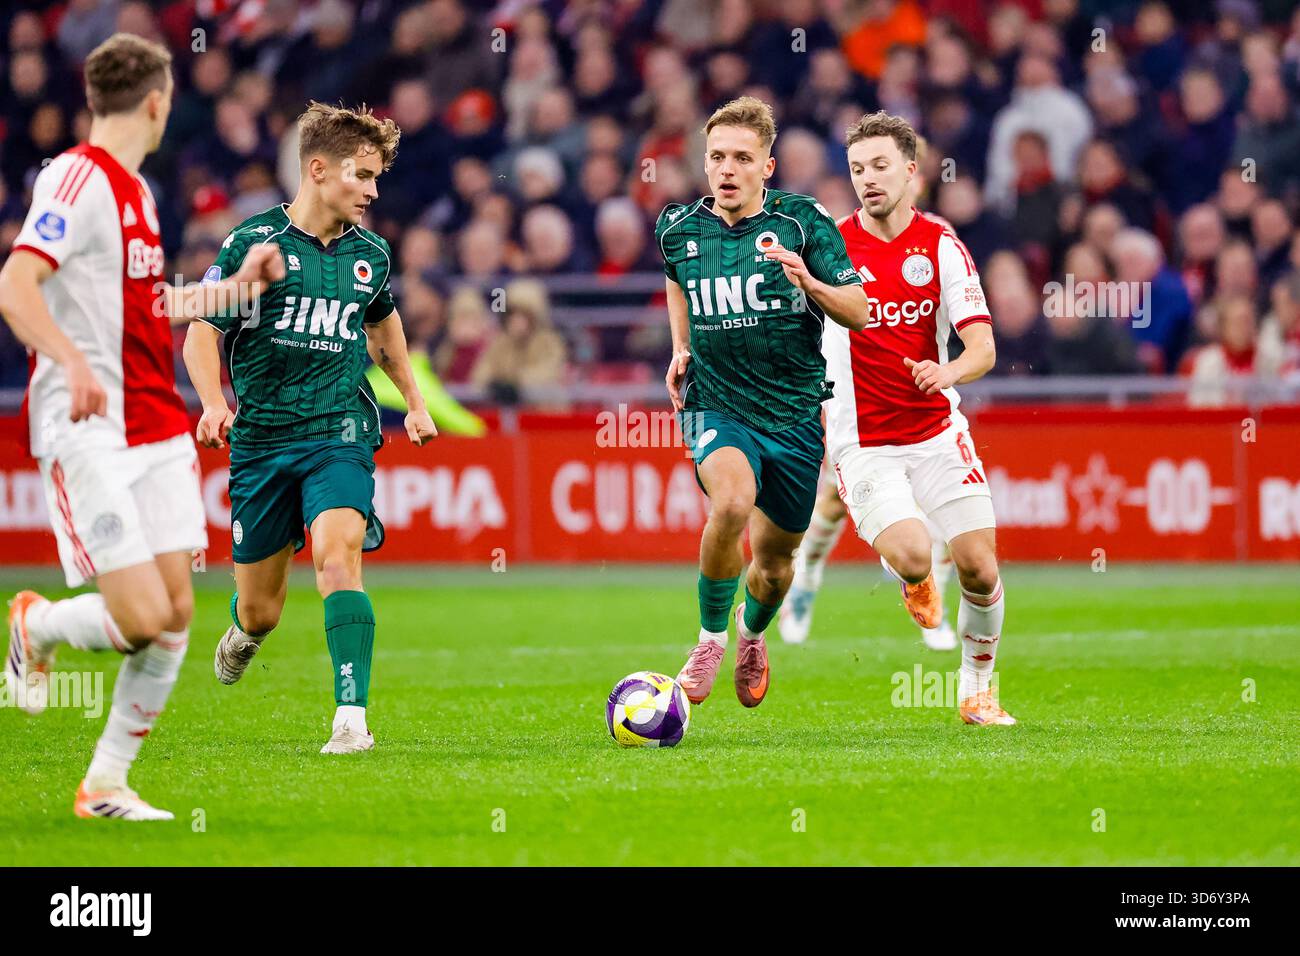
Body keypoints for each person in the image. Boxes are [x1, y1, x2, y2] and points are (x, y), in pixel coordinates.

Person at [1, 34, 283, 820]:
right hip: (86, 421)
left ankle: (105, 784)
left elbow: (154, 306)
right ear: (157, 101)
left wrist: (235, 289)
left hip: (156, 418)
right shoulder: (75, 178)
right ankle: (38, 623)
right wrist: (72, 361)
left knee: (175, 617)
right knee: (138, 619)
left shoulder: (140, 194)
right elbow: (15, 285)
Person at [183, 102, 437, 755]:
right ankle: (244, 630)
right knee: (262, 609)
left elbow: (383, 328)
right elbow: (201, 333)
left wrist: (412, 400)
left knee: (337, 555)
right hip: (262, 440)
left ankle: (350, 719)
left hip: (339, 429)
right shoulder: (252, 244)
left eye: (379, 177)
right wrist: (213, 403)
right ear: (319, 169)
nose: (374, 191)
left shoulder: (371, 256)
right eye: (364, 175)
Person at [654, 96, 868, 708]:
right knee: (730, 502)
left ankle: (752, 633)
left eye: (742, 158)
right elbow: (676, 277)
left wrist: (808, 279)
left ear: (767, 167)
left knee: (773, 567)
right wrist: (681, 346)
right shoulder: (678, 228)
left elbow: (858, 312)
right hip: (717, 404)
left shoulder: (803, 224)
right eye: (716, 156)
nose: (726, 169)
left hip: (796, 414)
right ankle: (709, 639)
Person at [820, 111, 1015, 726]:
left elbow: (982, 346)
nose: (868, 179)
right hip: (864, 444)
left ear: (912, 170)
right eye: (857, 169)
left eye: (880, 166)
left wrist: (949, 372)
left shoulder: (940, 246)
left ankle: (978, 690)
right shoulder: (829, 247)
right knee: (912, 557)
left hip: (936, 432)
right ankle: (914, 579)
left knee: (981, 569)